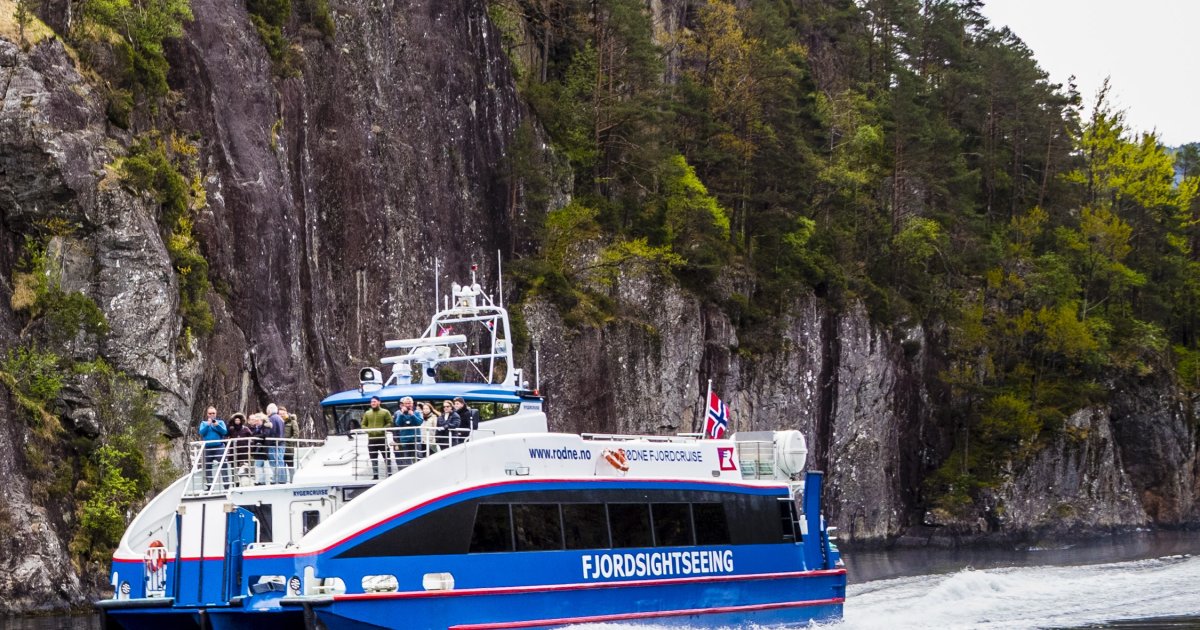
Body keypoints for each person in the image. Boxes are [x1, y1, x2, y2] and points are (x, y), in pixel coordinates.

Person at [361, 396, 393, 479]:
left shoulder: (385, 412)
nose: (373, 403)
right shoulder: (367, 413)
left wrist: (382, 430)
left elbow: (390, 422)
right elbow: (363, 425)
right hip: (371, 440)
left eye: (374, 401)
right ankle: (375, 475)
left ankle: (389, 474)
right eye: (371, 402)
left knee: (387, 457)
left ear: (379, 402)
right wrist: (369, 430)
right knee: (373, 458)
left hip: (382, 439)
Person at [198, 407, 228, 490]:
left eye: (213, 413)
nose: (212, 415)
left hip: (219, 447)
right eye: (210, 413)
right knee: (207, 467)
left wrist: (217, 425)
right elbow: (201, 432)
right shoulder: (203, 423)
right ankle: (210, 485)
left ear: (216, 413)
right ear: (207, 414)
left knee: (223, 465)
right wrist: (208, 424)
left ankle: (226, 484)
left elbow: (224, 432)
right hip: (207, 448)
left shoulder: (220, 422)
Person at [393, 397, 422, 466]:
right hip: (405, 439)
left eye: (409, 403)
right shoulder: (399, 413)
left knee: (418, 457)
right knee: (407, 458)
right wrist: (402, 414)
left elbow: (419, 422)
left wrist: (412, 415)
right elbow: (398, 423)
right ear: (403, 404)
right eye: (406, 403)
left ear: (412, 404)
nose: (408, 405)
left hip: (415, 438)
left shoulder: (417, 412)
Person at [225, 413, 253, 486]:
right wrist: (229, 425)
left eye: (238, 420)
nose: (237, 421)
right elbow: (225, 435)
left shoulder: (245, 429)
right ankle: (235, 484)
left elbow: (252, 437)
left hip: (243, 453)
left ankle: (244, 484)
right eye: (236, 420)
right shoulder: (231, 429)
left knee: (243, 469)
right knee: (233, 469)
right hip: (233, 452)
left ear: (241, 421)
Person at [247, 413, 271, 485]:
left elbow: (265, 435)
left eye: (257, 420)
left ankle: (260, 481)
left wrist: (255, 436)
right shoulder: (256, 428)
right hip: (257, 449)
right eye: (255, 420)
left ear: (261, 420)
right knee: (259, 465)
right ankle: (261, 481)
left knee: (259, 465)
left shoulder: (265, 427)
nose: (256, 422)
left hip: (262, 449)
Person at [266, 403, 286, 483]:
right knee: (280, 462)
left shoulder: (272, 419)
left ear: (269, 410)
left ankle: (277, 479)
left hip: (274, 444)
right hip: (281, 443)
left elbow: (271, 431)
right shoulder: (280, 418)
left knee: (274, 462)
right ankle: (282, 479)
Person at [280, 405, 299, 481]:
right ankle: (283, 481)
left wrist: (288, 441)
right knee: (282, 466)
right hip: (281, 448)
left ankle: (293, 481)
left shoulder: (292, 421)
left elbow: (296, 434)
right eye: (280, 414)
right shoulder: (280, 422)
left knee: (290, 465)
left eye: (283, 413)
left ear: (286, 412)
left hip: (289, 448)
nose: (281, 415)